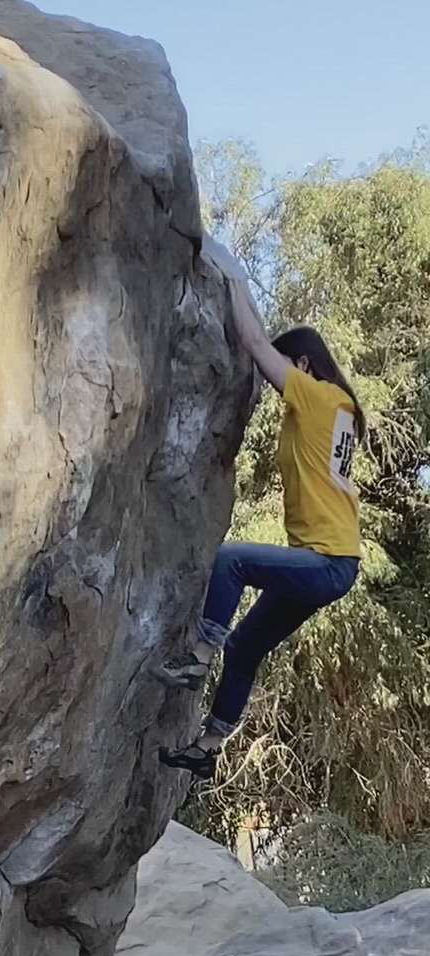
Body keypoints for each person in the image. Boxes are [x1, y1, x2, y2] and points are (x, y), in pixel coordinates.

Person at [156, 272, 365, 781]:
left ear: (303, 365)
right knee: (246, 647)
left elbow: (252, 342)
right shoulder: (337, 411)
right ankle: (206, 748)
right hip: (330, 563)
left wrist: (231, 282)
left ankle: (197, 658)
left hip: (328, 561)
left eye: (285, 368)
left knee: (232, 560)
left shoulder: (317, 396)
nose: (278, 386)